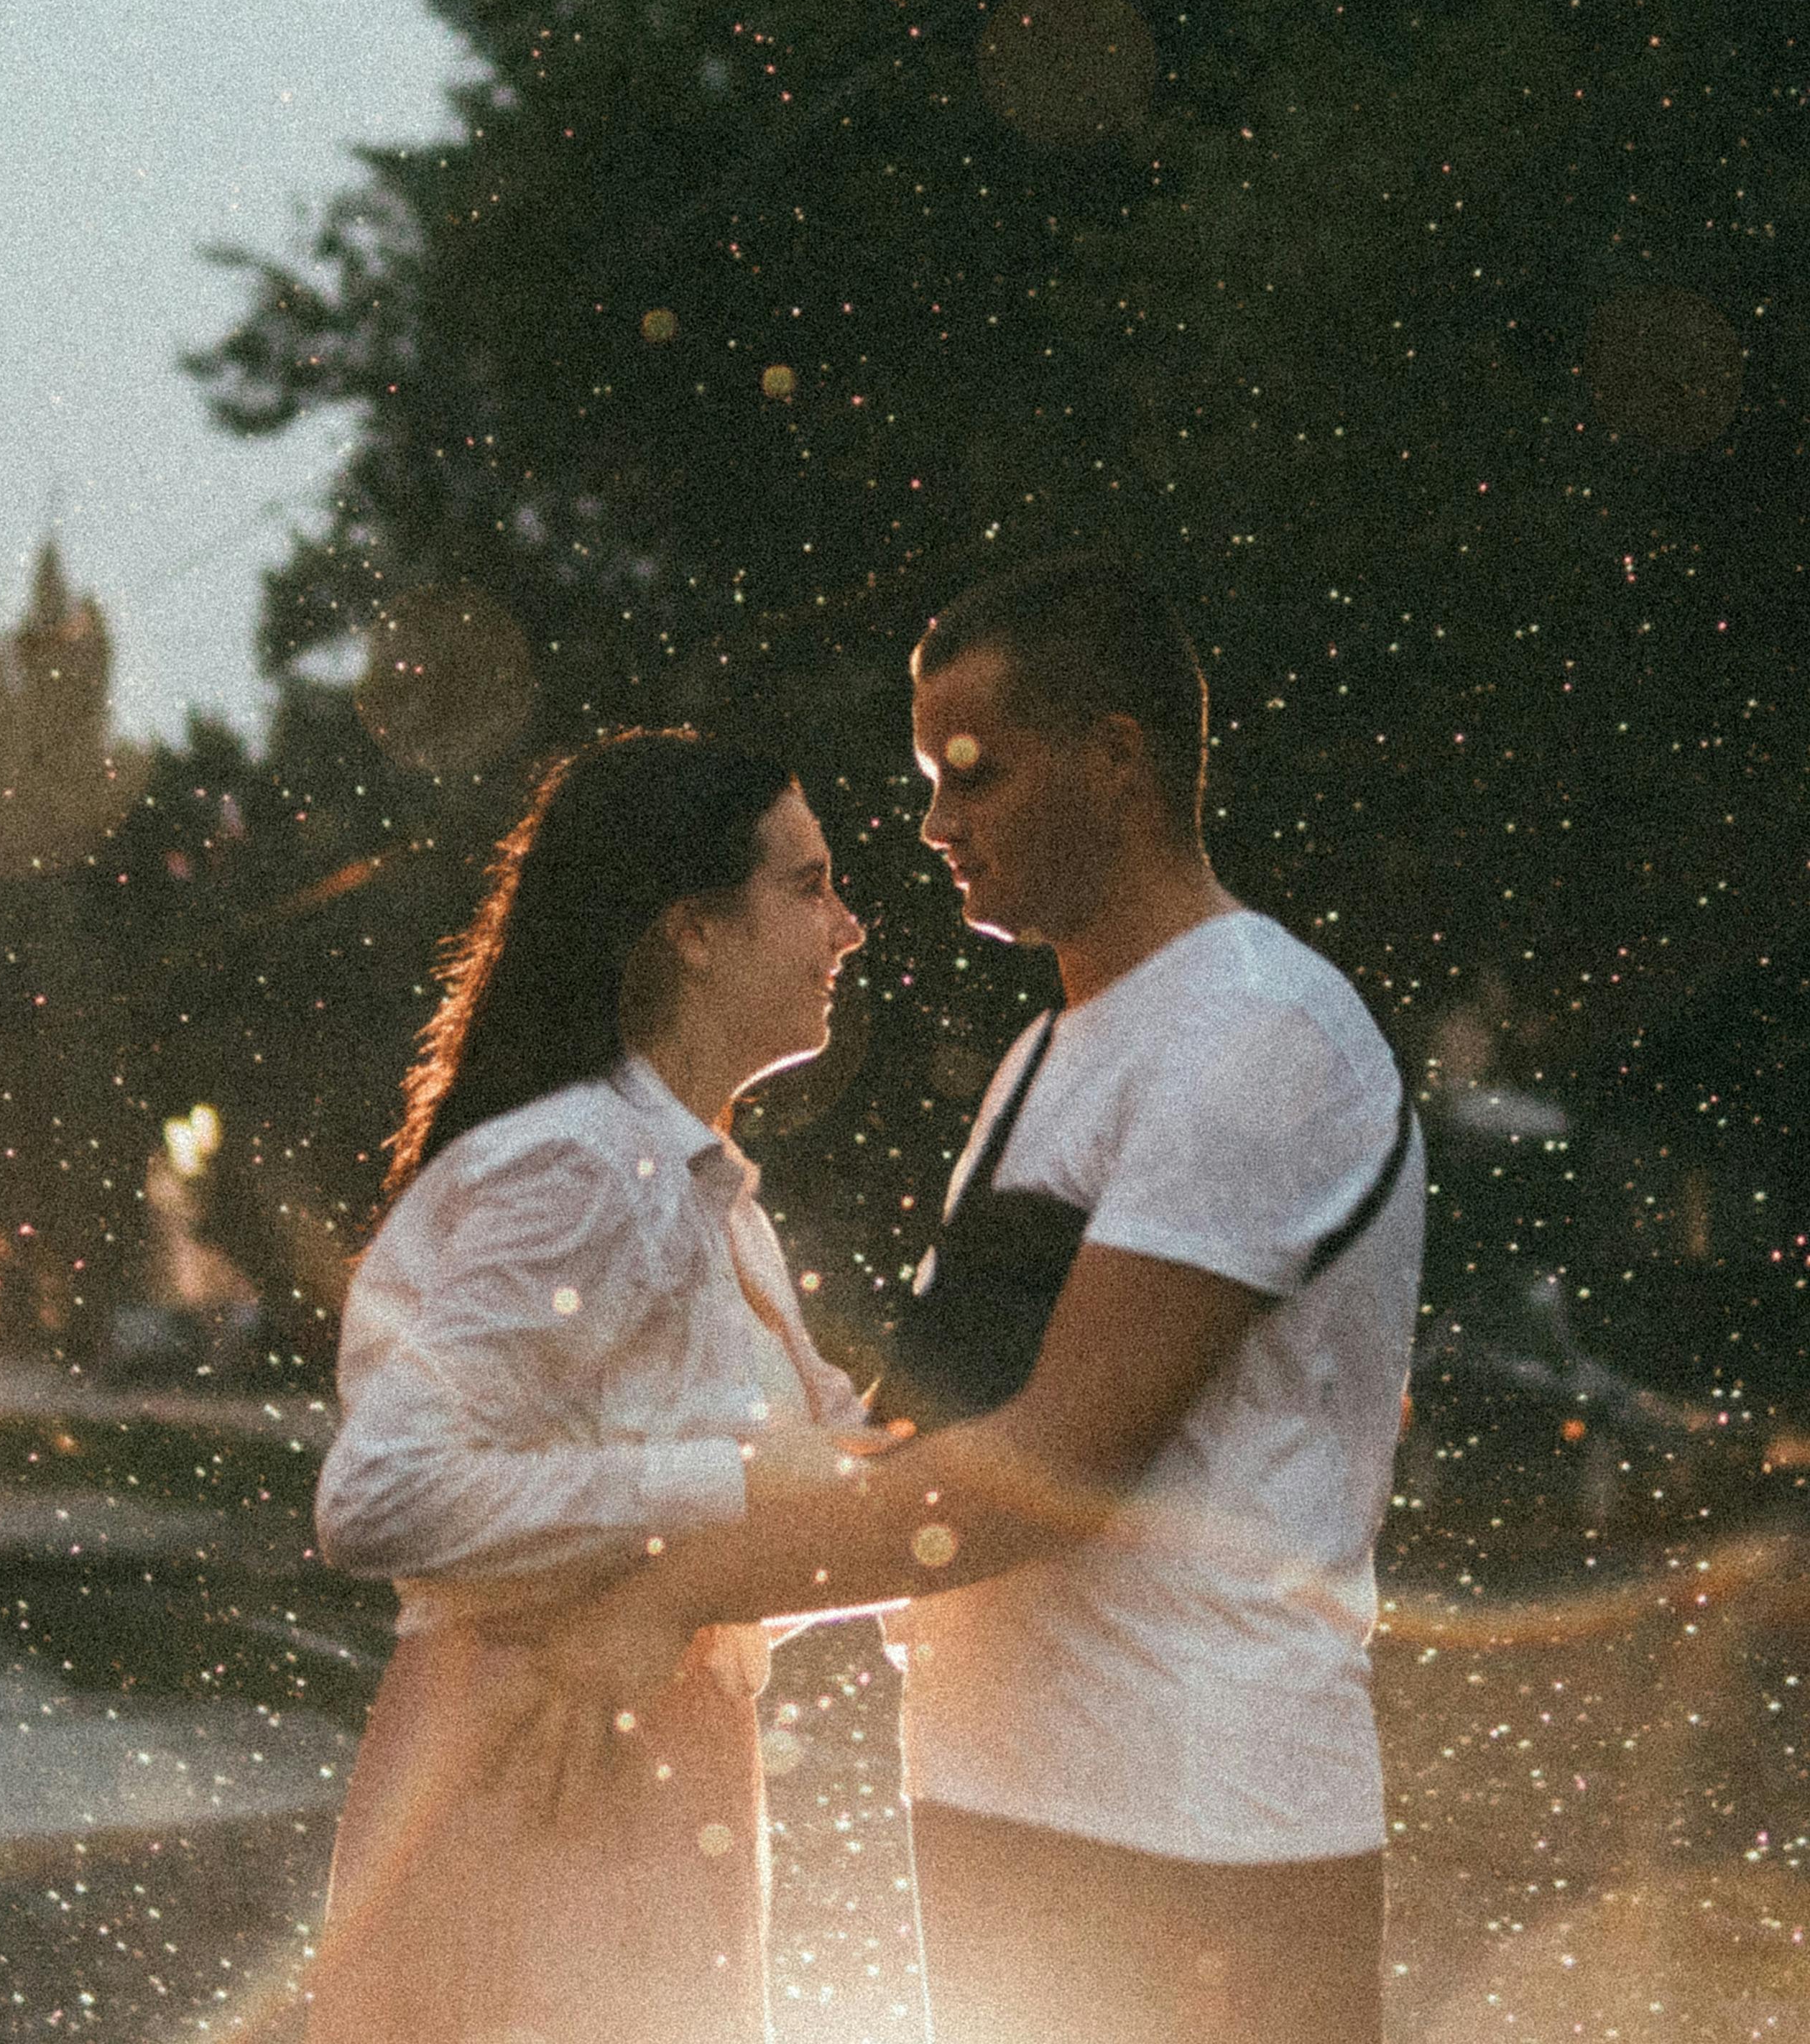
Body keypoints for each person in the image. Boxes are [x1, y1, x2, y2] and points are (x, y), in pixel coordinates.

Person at [512, 558, 1425, 2044]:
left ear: (1115, 758)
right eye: (930, 778)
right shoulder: (1047, 1058)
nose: (934, 824)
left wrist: (679, 1590)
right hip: (1009, 1803)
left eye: (973, 773)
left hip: (1202, 1834)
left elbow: (1053, 1464)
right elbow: (921, 1445)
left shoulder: (1252, 1030)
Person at [304, 725, 872, 2044]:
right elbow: (380, 1497)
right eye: (808, 886)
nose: (848, 928)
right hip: (536, 1793)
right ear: (692, 929)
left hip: (639, 1783)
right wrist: (718, 1489)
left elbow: (832, 1497)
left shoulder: (698, 1186)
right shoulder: (582, 1169)